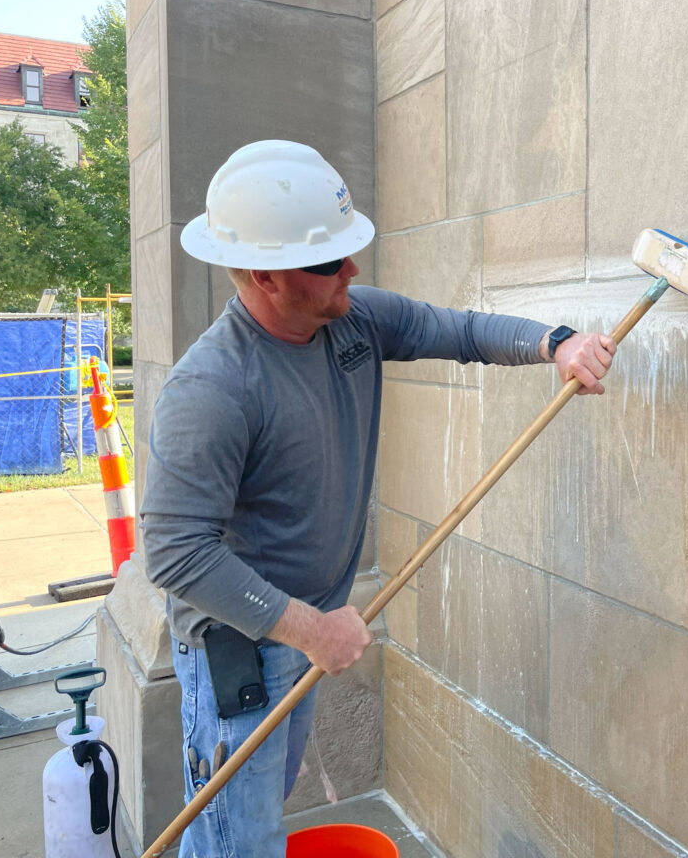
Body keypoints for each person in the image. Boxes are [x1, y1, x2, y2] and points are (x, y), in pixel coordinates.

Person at [140, 140, 615, 857]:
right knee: (236, 840)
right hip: (242, 651)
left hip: (304, 630)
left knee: (261, 815)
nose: (352, 270)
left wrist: (557, 343)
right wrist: (309, 630)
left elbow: (455, 329)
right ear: (265, 276)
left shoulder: (352, 320)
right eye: (330, 260)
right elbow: (175, 553)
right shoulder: (211, 389)